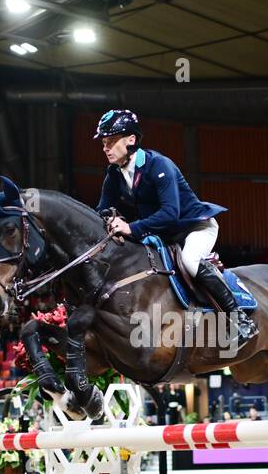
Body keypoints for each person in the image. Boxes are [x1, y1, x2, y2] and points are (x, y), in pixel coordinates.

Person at [93, 108, 256, 342]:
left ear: (131, 140)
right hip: (164, 235)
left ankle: (239, 319)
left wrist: (131, 228)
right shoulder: (114, 174)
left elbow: (170, 214)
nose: (105, 148)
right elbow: (101, 209)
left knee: (190, 261)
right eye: (103, 143)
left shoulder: (159, 165)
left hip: (195, 227)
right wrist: (110, 219)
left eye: (110, 141)